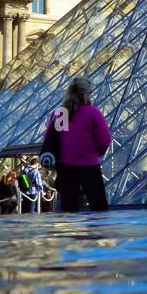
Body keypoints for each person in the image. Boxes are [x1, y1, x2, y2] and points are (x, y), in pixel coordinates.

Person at [45, 77, 112, 212]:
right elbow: (104, 140)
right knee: (98, 208)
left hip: (66, 166)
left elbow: (50, 138)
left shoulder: (62, 114)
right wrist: (95, 153)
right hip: (89, 165)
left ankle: (70, 233)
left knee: (69, 209)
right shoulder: (93, 112)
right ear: (87, 93)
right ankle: (96, 233)